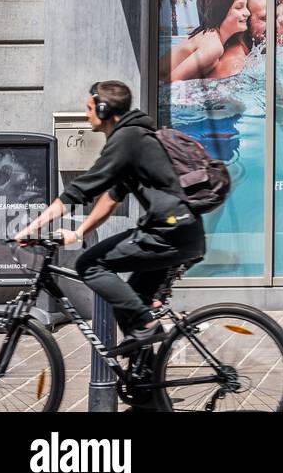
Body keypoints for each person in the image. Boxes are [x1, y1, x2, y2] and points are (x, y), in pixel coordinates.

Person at [15, 81, 206, 353]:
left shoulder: (127, 139)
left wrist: (31, 228)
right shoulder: (133, 139)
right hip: (179, 231)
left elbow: (81, 189)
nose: (85, 114)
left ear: (104, 109)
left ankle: (147, 327)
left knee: (90, 265)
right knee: (128, 302)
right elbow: (110, 199)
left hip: (169, 232)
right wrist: (79, 233)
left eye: (89, 108)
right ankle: (144, 385)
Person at [158, 0, 250, 83]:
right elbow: (170, 83)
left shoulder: (208, 36)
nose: (247, 13)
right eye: (239, 7)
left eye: (246, 6)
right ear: (219, 11)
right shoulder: (213, 46)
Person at [211, 0, 267, 79]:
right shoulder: (234, 66)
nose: (275, 25)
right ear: (243, 22)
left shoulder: (250, 55)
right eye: (265, 18)